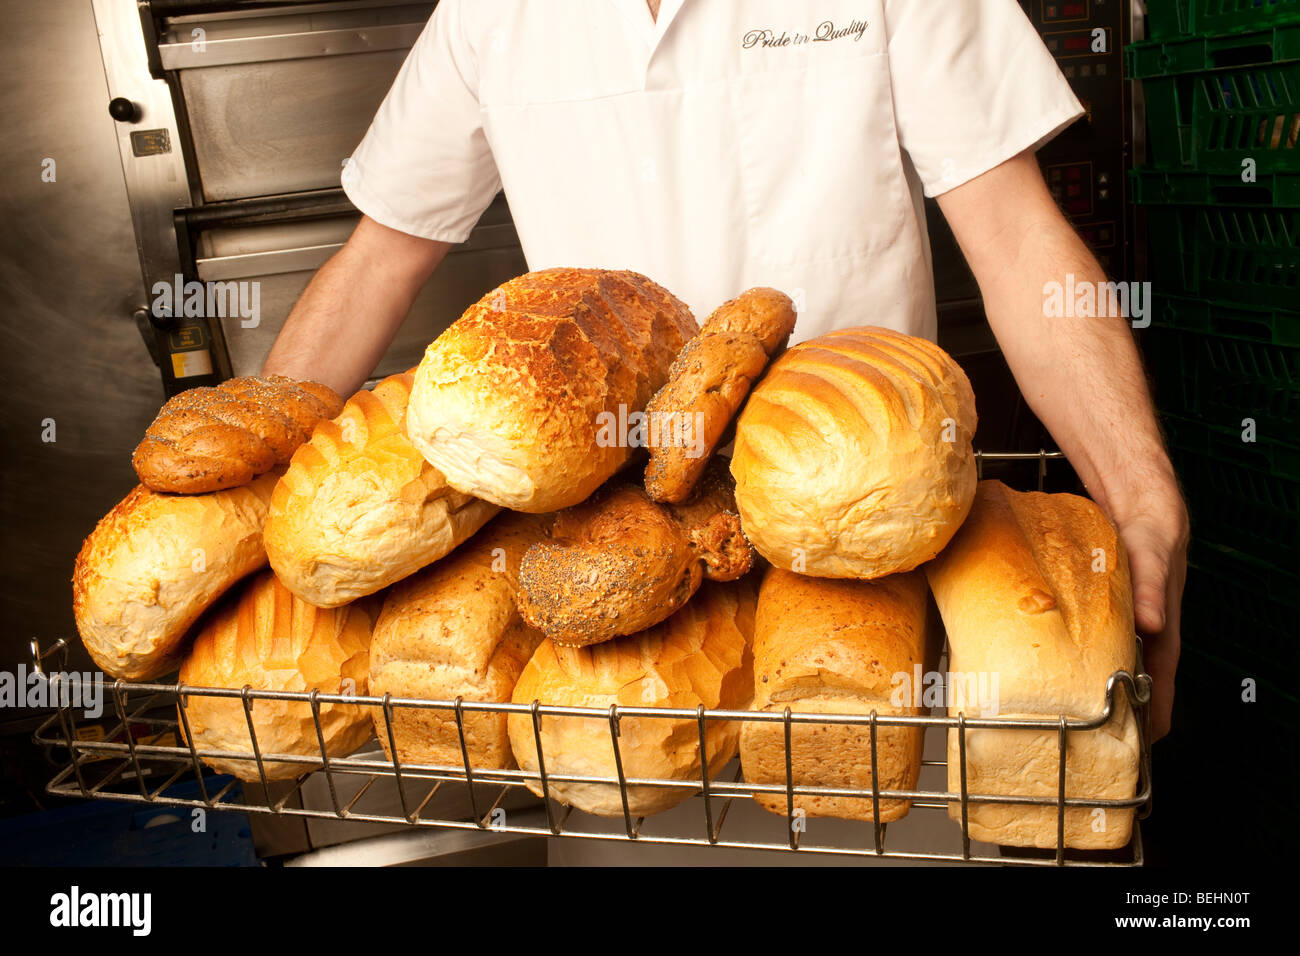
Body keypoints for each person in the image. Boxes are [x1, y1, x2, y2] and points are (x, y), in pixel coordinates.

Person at [263, 0, 1187, 738]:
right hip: (616, 585)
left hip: (862, 560)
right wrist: (260, 510)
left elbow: (1018, 240)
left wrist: (1141, 497)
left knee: (875, 809)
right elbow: (379, 259)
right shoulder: (487, 14)